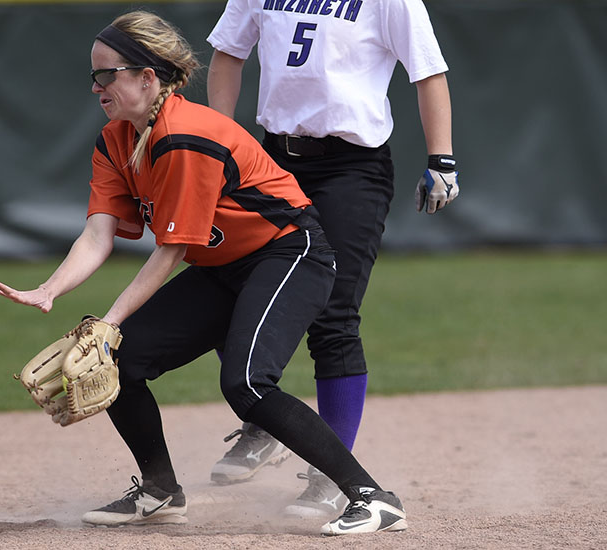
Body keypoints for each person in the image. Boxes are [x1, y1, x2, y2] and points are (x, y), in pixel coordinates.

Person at [0, 10, 407, 536]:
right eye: (93, 75)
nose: (97, 86)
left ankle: (372, 497)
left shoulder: (185, 137)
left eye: (107, 74)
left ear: (147, 77)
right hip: (223, 265)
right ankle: (160, 489)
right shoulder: (116, 140)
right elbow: (98, 234)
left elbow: (170, 252)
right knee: (123, 359)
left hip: (288, 253)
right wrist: (50, 289)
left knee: (248, 383)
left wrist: (109, 319)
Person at [205, 0, 459, 518]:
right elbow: (228, 54)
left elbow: (428, 71)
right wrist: (216, 145)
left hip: (352, 168)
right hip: (270, 157)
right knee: (228, 283)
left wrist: (442, 160)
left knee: (334, 315)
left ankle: (331, 474)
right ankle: (263, 423)